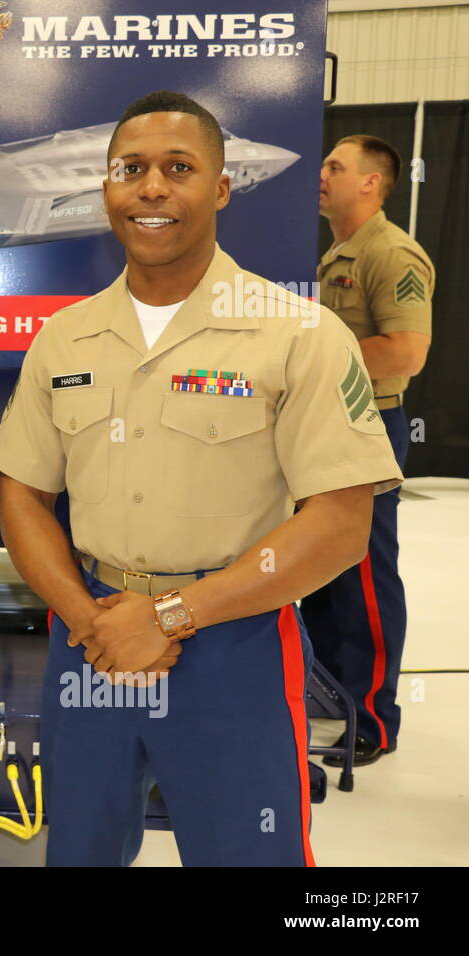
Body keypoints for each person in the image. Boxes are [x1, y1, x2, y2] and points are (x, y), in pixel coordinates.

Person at [0, 90, 402, 866]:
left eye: (179, 168)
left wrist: (171, 617)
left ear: (219, 188)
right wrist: (90, 620)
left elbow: (341, 525)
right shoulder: (63, 337)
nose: (151, 188)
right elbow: (23, 495)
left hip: (232, 646)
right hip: (92, 638)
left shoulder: (300, 334)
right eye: (130, 168)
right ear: (106, 185)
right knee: (77, 851)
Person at [304, 135, 435, 767]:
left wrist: (314, 362)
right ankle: (332, 694)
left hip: (369, 426)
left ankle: (373, 718)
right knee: (321, 565)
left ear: (371, 183)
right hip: (328, 425)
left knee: (364, 569)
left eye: (335, 166)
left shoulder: (391, 253)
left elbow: (406, 351)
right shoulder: (338, 253)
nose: (322, 174)